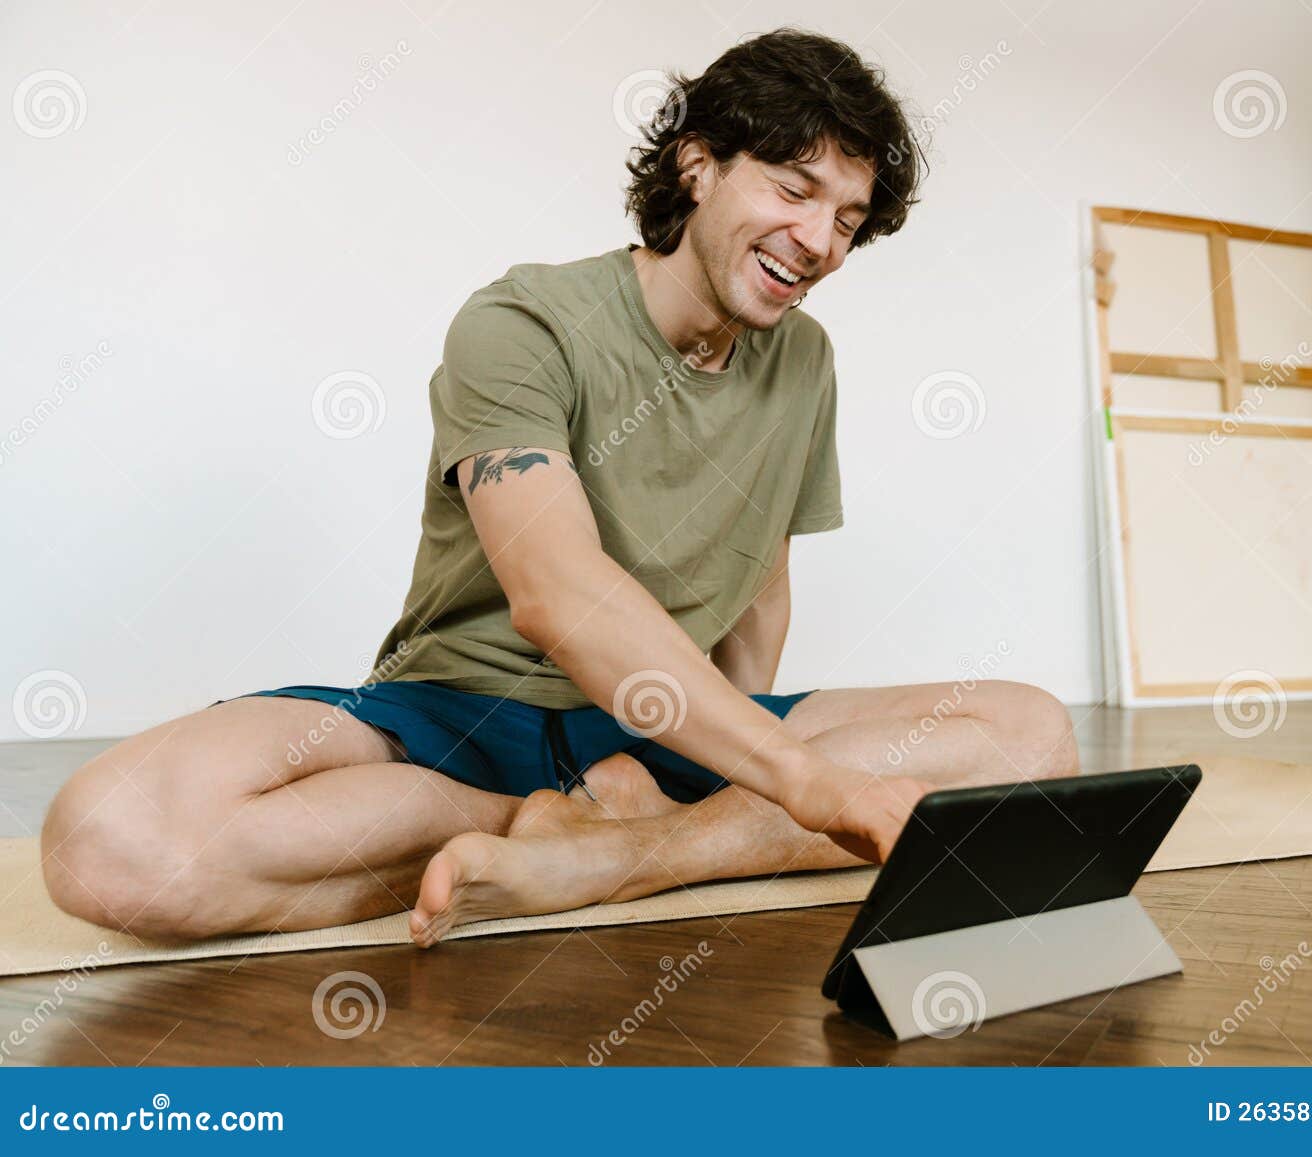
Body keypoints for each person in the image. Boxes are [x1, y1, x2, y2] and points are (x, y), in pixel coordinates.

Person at [41, 27, 1078, 947]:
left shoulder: (803, 359)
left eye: (847, 218)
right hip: (457, 718)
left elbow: (760, 578)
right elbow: (557, 593)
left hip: (663, 732)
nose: (819, 242)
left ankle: (612, 854)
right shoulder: (521, 322)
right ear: (699, 165)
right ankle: (549, 823)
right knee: (109, 837)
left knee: (1031, 735)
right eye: (794, 190)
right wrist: (802, 785)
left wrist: (726, 758)